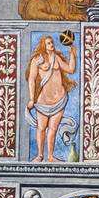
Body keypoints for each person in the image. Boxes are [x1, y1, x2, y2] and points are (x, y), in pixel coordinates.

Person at [26, 35, 78, 163]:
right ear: (43, 45)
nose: (52, 44)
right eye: (49, 43)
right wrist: (32, 98)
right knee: (41, 128)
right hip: (43, 102)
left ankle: (50, 156)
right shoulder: (37, 60)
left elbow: (71, 69)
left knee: (53, 129)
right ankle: (39, 156)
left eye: (52, 42)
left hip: (59, 100)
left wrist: (73, 54)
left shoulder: (57, 58)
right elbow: (31, 79)